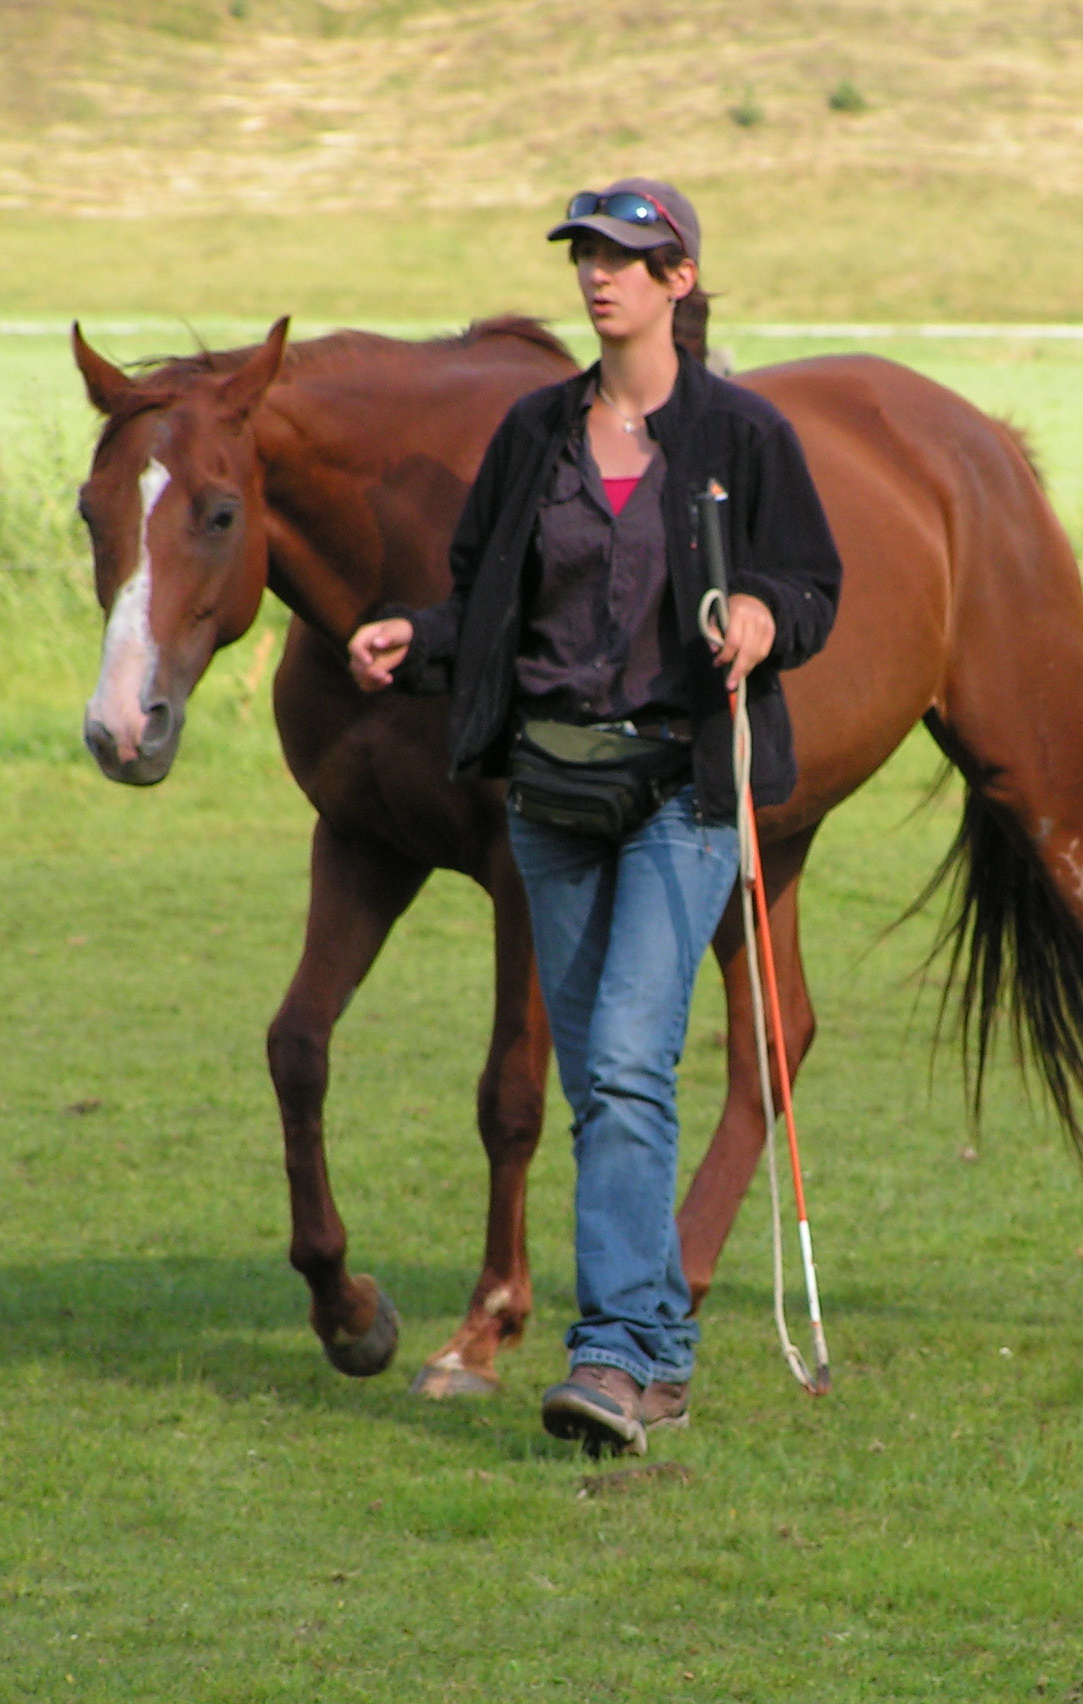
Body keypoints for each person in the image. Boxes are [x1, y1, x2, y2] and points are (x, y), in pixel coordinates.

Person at [345, 179, 843, 1455]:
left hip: (683, 791)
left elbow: (814, 584)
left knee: (624, 1062)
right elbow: (488, 604)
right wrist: (426, 638)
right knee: (602, 1090)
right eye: (584, 255)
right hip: (551, 798)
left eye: (625, 257)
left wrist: (765, 618)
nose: (597, 276)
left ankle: (612, 1358)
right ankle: (658, 1359)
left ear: (680, 279)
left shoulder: (742, 438)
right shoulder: (534, 437)